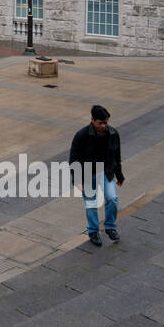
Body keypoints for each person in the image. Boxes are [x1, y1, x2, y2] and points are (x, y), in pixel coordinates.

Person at [69, 104, 124, 246]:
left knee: (112, 198)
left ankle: (110, 227)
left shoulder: (113, 134)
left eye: (106, 122)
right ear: (92, 120)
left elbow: (116, 156)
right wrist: (77, 180)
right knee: (91, 203)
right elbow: (73, 159)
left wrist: (119, 174)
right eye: (100, 123)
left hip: (107, 171)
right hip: (88, 172)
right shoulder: (81, 135)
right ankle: (93, 231)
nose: (104, 126)